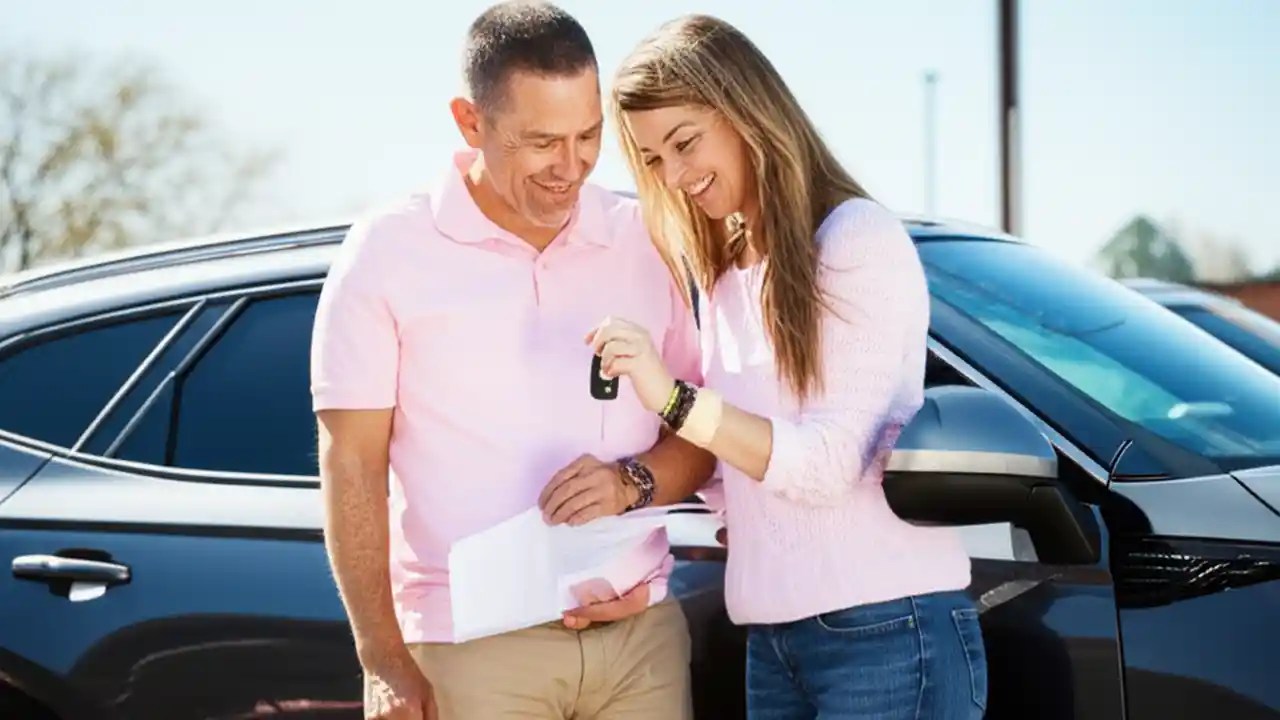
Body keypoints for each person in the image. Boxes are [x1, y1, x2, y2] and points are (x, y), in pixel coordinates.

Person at [309, 3, 714, 719]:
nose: (571, 167)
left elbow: (700, 428)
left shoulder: (644, 239)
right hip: (472, 652)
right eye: (540, 142)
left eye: (588, 136)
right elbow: (352, 465)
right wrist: (382, 660)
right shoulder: (387, 252)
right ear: (471, 123)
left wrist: (633, 482)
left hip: (639, 639)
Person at [591, 13, 989, 720]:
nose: (676, 176)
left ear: (748, 110)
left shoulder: (855, 239)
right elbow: (736, 468)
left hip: (888, 633)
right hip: (772, 640)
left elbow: (829, 463)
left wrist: (675, 398)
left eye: (685, 142)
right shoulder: (724, 275)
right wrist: (620, 508)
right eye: (654, 161)